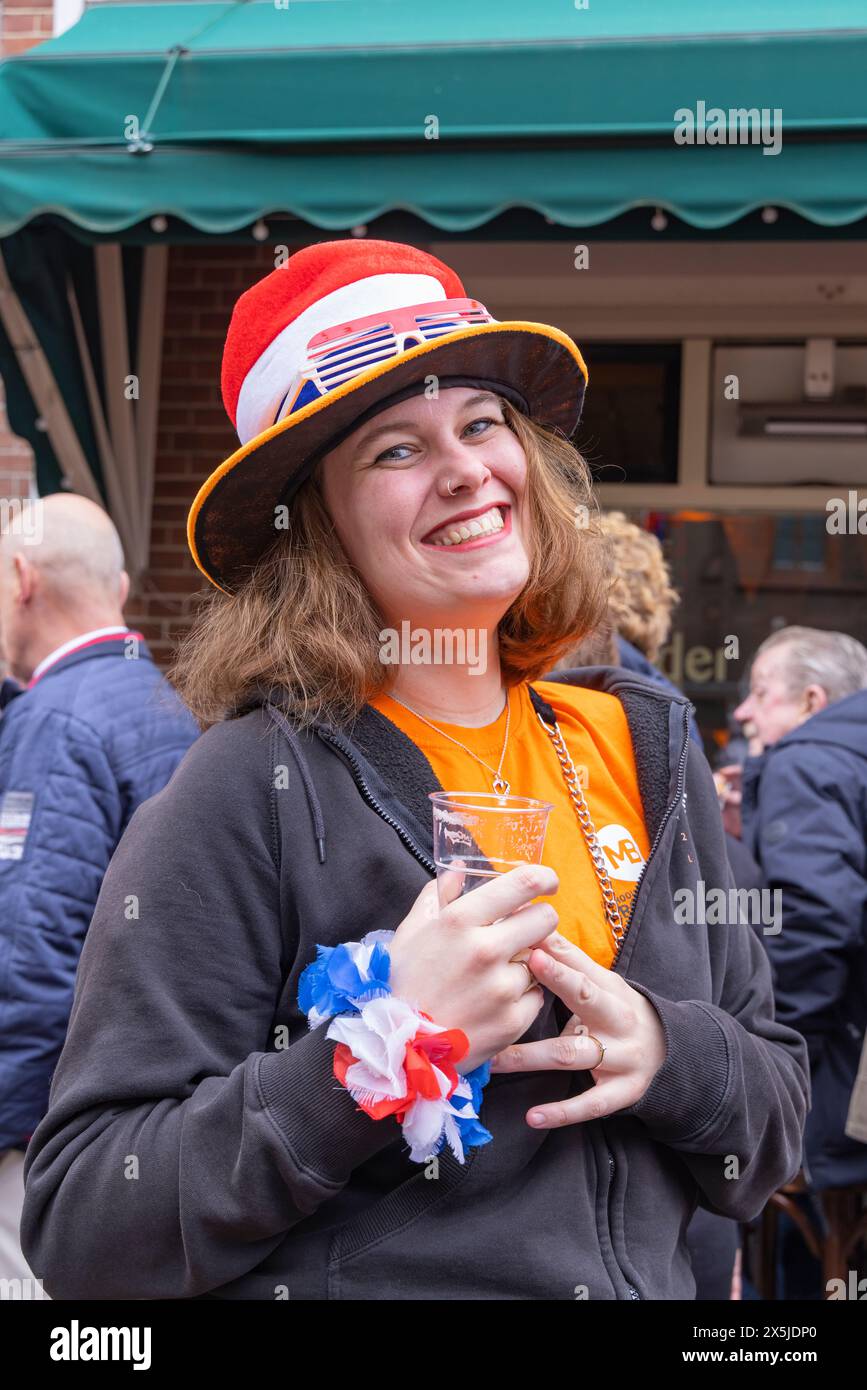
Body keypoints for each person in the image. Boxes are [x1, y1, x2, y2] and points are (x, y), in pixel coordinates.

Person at [20, 239, 807, 1301]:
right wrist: (377, 1055)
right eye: (396, 448)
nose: (467, 469)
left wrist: (669, 1053)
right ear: (320, 533)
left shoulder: (644, 745)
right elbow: (84, 1228)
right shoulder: (246, 788)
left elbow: (768, 1135)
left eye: (481, 423)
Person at [0, 493, 198, 1283]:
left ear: (21, 579)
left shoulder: (55, 723)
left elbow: (31, 953)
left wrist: (9, 1127)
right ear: (116, 590)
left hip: (45, 1131)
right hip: (142, 1114)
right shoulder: (167, 703)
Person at [731, 626, 867, 1197]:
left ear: (813, 700)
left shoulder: (805, 762)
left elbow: (815, 919)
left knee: (804, 1254)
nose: (743, 711)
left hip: (835, 1070)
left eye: (762, 693)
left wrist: (762, 1043)